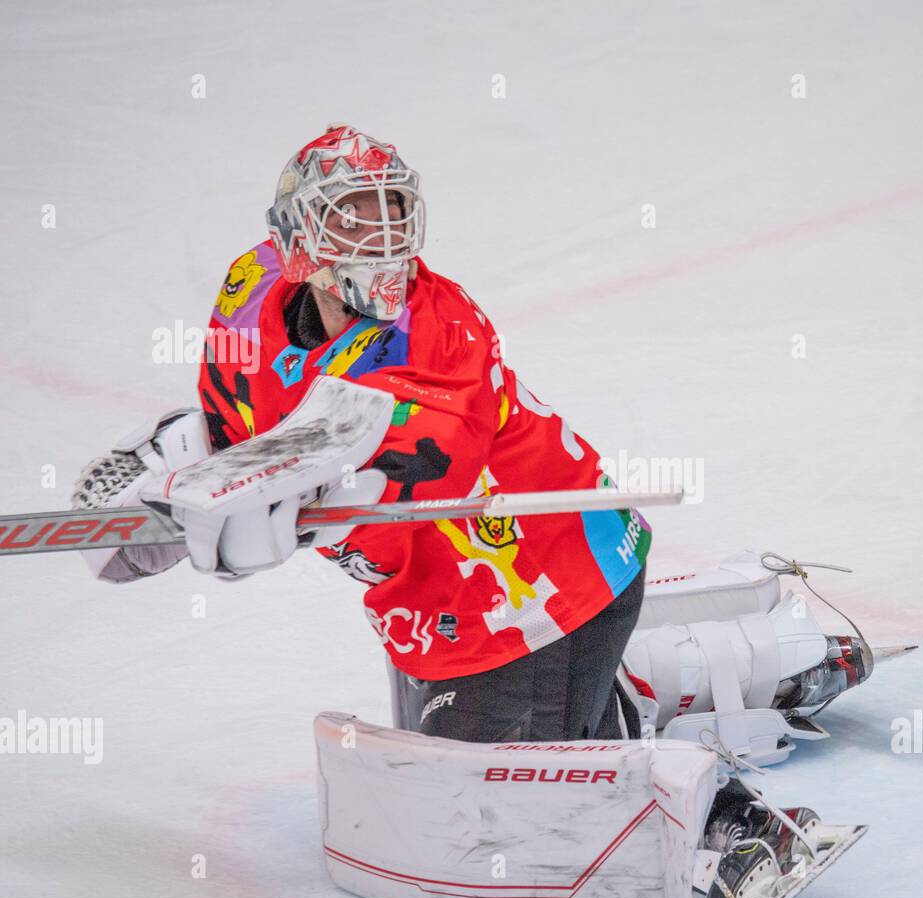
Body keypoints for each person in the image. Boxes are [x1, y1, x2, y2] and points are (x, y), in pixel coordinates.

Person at [74, 124, 649, 744]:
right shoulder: (250, 288)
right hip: (435, 605)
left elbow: (424, 466)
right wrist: (183, 470)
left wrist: (291, 502)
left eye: (393, 213)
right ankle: (608, 714)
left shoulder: (443, 326)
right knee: (457, 797)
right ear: (299, 238)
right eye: (353, 217)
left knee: (513, 816)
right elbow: (238, 413)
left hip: (549, 583)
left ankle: (716, 806)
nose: (382, 238)